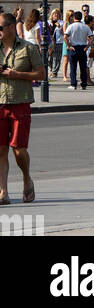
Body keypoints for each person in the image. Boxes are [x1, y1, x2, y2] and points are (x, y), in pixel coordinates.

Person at [0, 11, 43, 206]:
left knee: (18, 149)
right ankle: (3, 191)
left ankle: (26, 177)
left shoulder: (28, 48)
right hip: (0, 104)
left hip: (20, 103)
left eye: (0, 28)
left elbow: (41, 74)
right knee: (1, 150)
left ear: (10, 27)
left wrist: (16, 74)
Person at [65, 10, 93, 92]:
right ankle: (84, 84)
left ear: (74, 17)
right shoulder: (85, 27)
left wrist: (68, 45)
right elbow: (91, 37)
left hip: (73, 47)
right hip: (83, 47)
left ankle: (73, 84)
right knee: (83, 67)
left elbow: (65, 36)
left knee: (73, 67)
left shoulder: (71, 26)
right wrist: (87, 46)